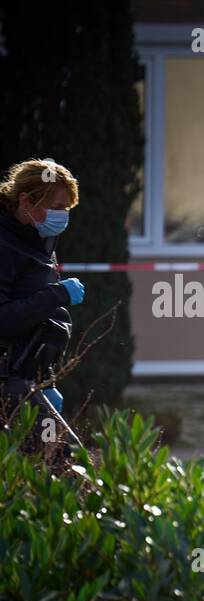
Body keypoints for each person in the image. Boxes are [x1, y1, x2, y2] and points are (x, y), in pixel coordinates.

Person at [0, 157, 84, 426]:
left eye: (67, 208)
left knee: (55, 455)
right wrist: (57, 295)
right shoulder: (4, 246)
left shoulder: (41, 238)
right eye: (57, 207)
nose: (63, 215)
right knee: (55, 457)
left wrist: (45, 378)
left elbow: (36, 322)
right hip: (7, 382)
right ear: (25, 201)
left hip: (24, 377)